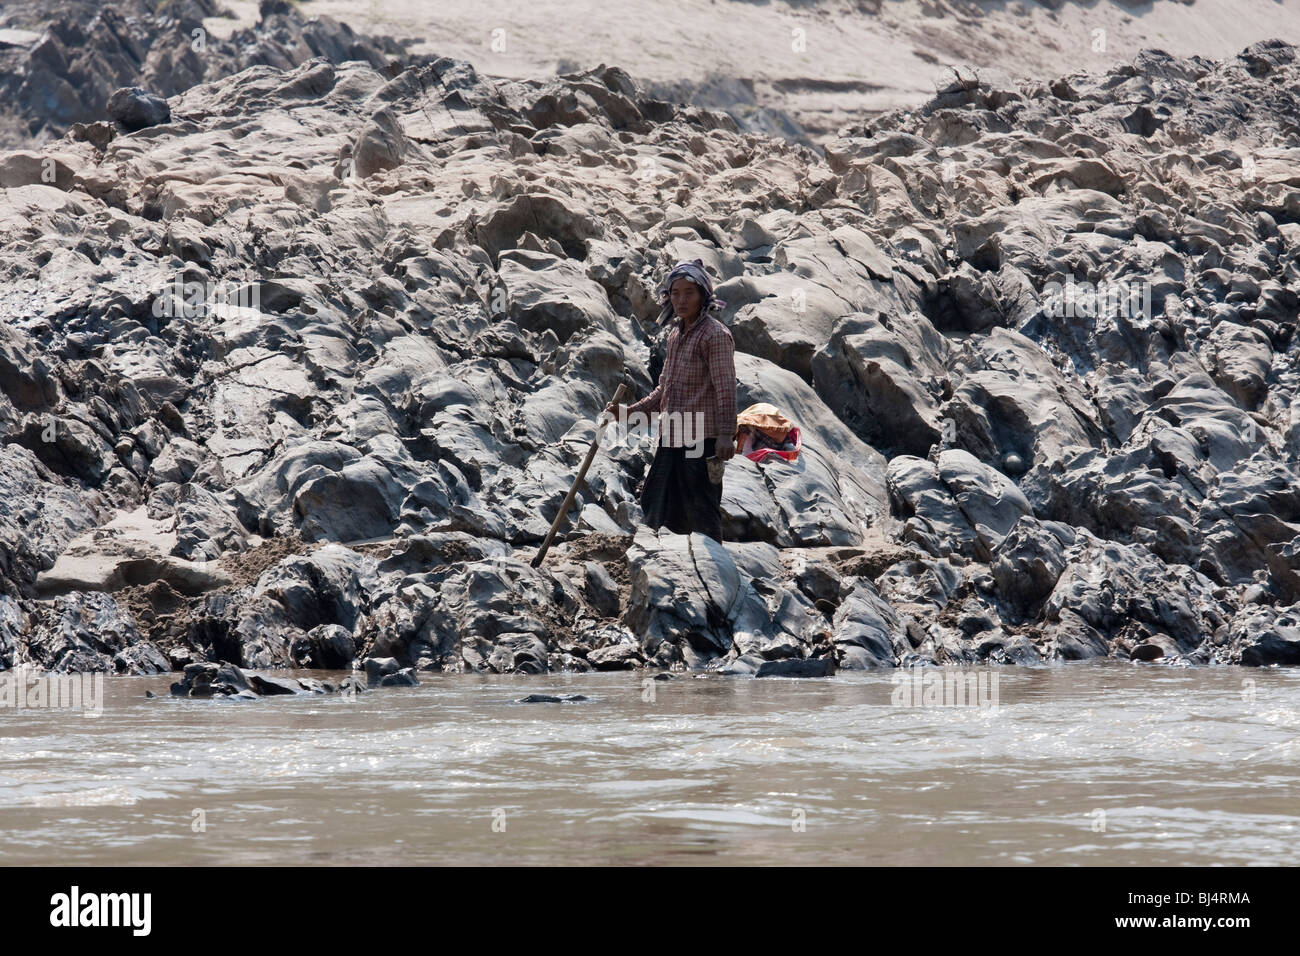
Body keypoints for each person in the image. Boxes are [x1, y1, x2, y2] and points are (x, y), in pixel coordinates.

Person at [605, 259, 737, 542]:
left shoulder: (715, 335)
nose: (681, 299)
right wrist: (628, 413)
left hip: (702, 439)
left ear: (703, 295)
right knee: (657, 502)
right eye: (675, 293)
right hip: (673, 434)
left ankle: (712, 571)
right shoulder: (676, 335)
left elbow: (726, 389)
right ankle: (671, 566)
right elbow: (663, 390)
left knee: (701, 508)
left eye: (689, 292)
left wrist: (727, 435)